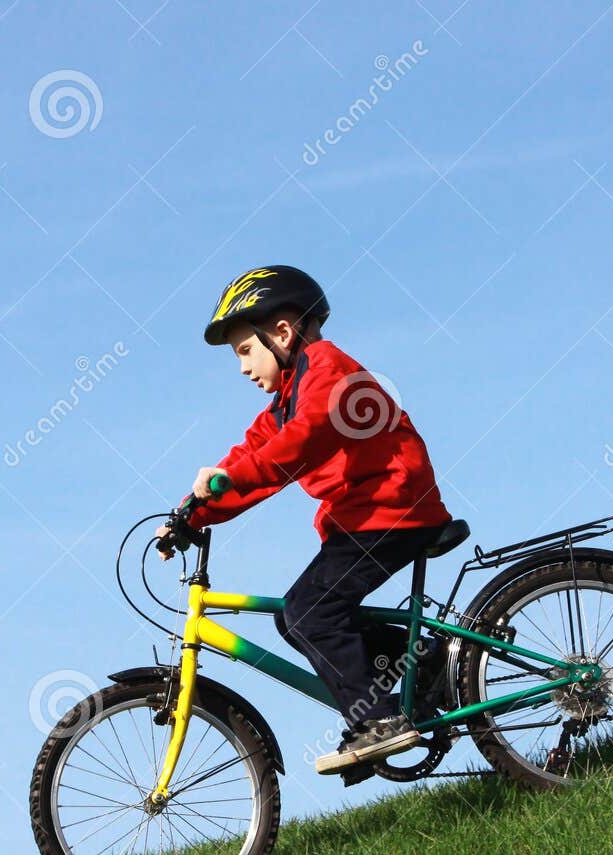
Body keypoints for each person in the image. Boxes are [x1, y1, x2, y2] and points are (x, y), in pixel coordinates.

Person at [158, 265, 453, 774]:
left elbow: (294, 448)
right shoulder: (288, 396)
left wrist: (226, 483)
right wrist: (192, 514)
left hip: (392, 509)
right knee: (293, 616)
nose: (243, 368)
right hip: (365, 517)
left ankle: (382, 721)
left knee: (309, 611)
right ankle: (422, 666)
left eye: (245, 351)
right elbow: (255, 452)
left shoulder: (327, 370)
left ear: (282, 333)